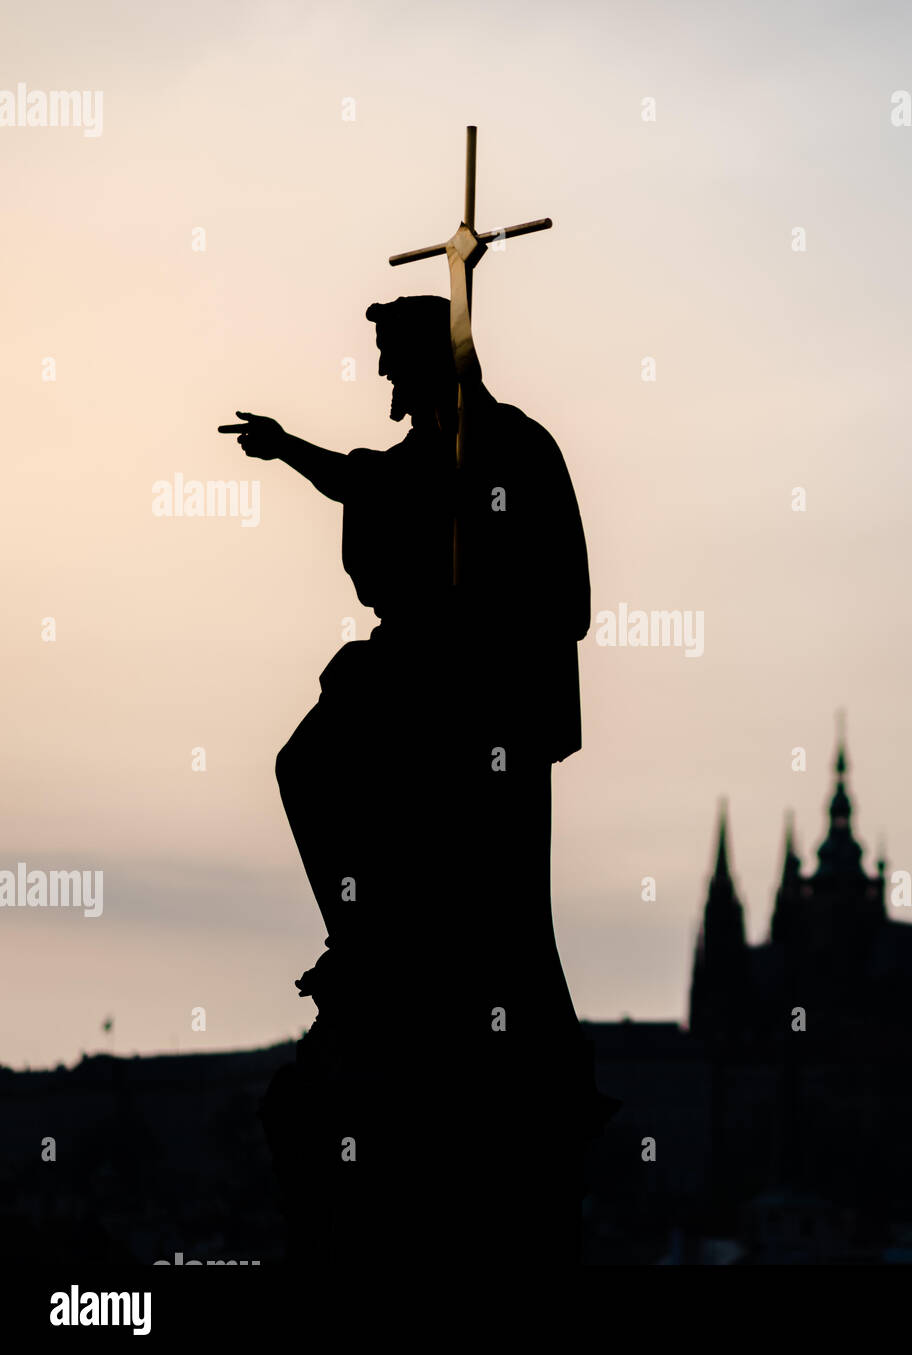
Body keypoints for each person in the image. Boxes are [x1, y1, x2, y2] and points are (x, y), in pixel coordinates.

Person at [222, 295, 616, 1264]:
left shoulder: (515, 445)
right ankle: (363, 937)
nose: (384, 381)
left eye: (395, 361)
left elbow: (566, 593)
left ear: (436, 361)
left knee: (431, 830)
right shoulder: (416, 457)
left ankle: (396, 951)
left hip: (482, 697)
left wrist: (477, 609)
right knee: (307, 764)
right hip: (415, 672)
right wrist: (284, 447)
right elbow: (360, 480)